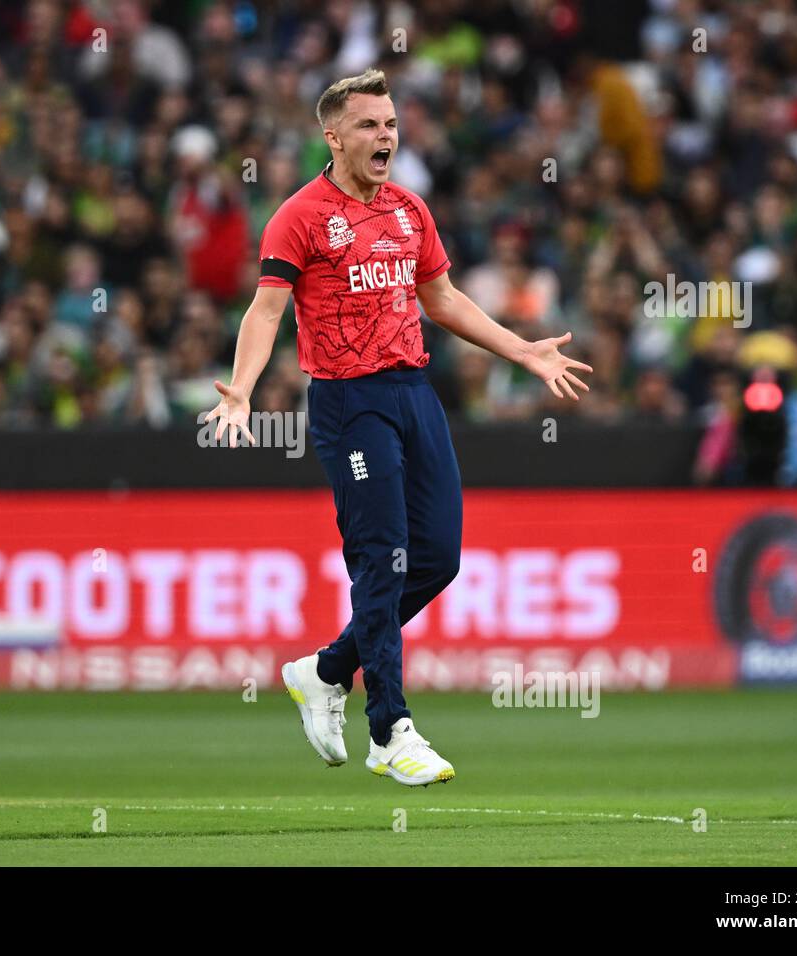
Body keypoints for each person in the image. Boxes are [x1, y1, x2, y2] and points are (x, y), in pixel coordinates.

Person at [204, 69, 591, 787]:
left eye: (390, 124)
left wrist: (522, 349)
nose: (386, 137)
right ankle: (390, 729)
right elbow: (265, 310)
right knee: (381, 560)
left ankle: (325, 670)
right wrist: (243, 393)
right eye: (369, 126)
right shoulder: (300, 215)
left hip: (414, 390)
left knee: (439, 556)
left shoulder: (410, 210)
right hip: (349, 403)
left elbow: (441, 298)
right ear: (334, 137)